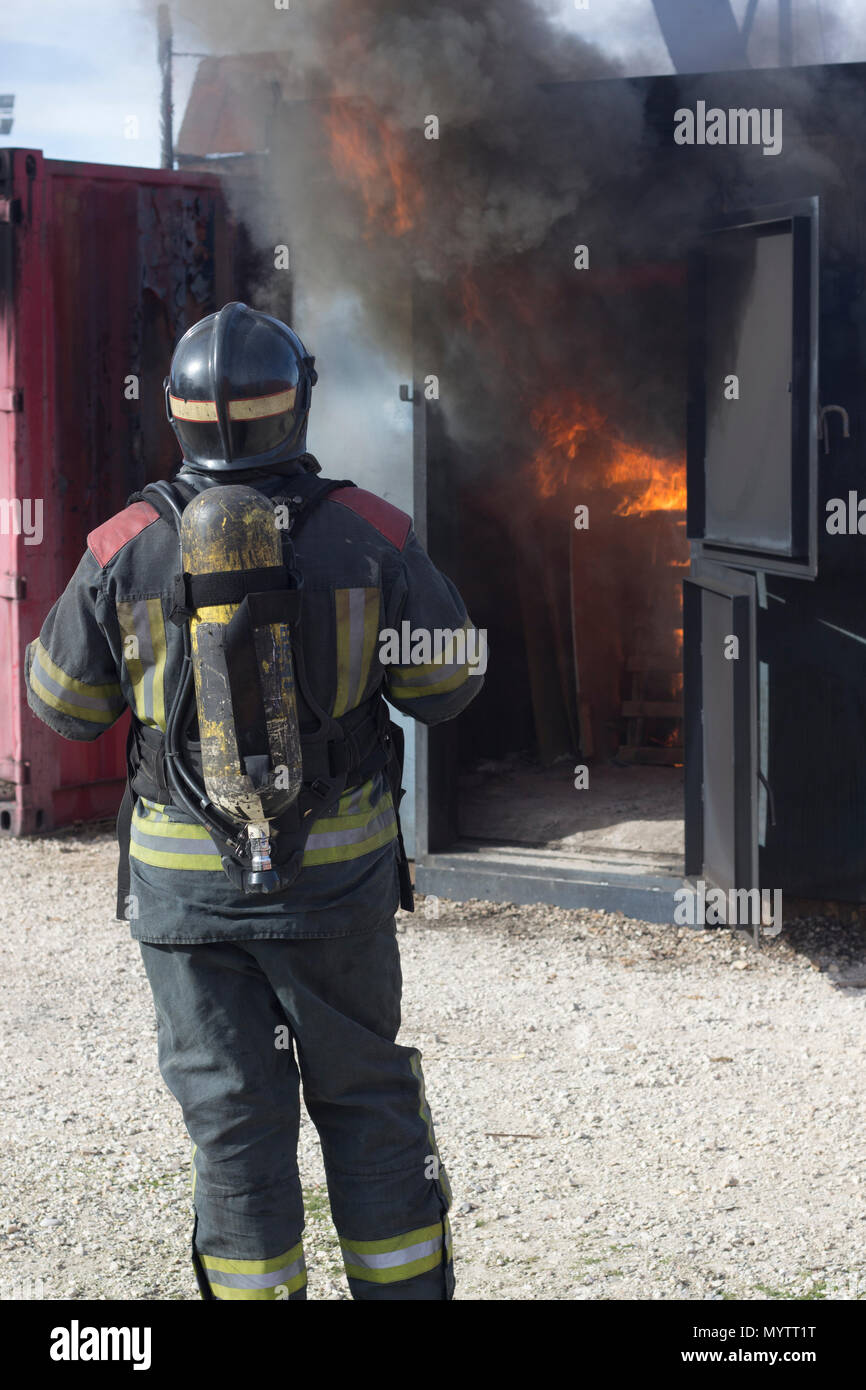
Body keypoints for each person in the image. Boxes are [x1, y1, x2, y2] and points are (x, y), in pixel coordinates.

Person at [24, 302, 484, 1301]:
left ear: (181, 419)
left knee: (233, 1120)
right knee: (365, 1098)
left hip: (186, 902)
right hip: (332, 884)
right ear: (297, 408)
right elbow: (447, 687)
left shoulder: (123, 543)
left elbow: (59, 707)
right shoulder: (369, 533)